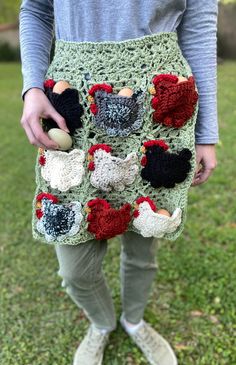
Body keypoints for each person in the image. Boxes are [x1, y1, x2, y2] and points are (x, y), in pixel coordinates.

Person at [19, 1, 218, 364]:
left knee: (144, 241)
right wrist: (32, 86)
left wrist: (206, 133)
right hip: (72, 104)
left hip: (159, 101)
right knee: (74, 266)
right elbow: (36, 8)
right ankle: (101, 323)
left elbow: (199, 24)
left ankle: (134, 320)